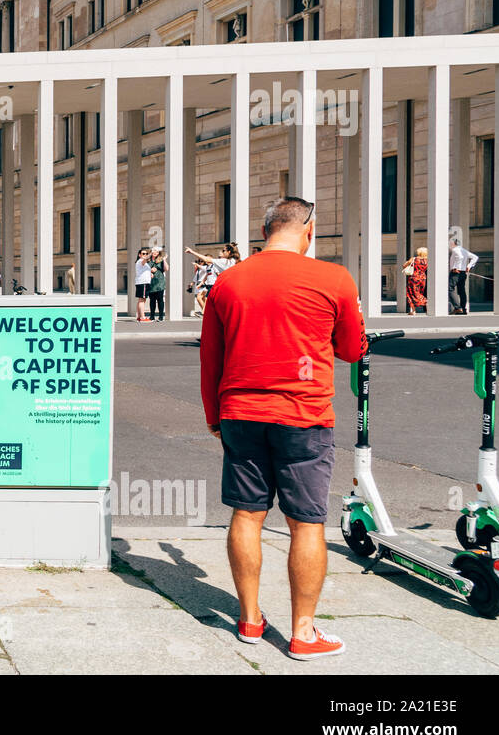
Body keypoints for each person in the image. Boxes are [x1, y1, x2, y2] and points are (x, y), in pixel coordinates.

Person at [200, 197, 365, 661]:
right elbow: (353, 349)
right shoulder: (332, 278)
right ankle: (303, 633)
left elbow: (210, 356)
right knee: (306, 522)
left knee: (247, 513)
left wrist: (214, 414)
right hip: (304, 415)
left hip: (240, 410)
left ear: (266, 228)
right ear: (308, 230)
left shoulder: (229, 281)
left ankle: (250, 618)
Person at [449, 240, 478, 315]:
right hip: (462, 272)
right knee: (461, 290)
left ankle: (458, 308)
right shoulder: (464, 250)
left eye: (450, 243)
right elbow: (475, 257)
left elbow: (459, 257)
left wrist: (454, 267)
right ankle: (463, 308)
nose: (450, 245)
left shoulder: (455, 250)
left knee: (450, 288)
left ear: (453, 244)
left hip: (455, 272)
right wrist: (468, 266)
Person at [402, 246, 428, 314]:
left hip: (414, 278)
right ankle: (426, 305)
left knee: (411, 293)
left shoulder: (414, 259)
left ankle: (415, 309)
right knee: (420, 293)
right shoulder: (427, 260)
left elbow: (404, 265)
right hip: (423, 278)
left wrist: (409, 263)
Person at [148, 249, 168, 321]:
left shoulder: (161, 260)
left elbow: (166, 269)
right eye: (153, 251)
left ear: (159, 253)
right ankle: (152, 316)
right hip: (150, 282)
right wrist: (149, 270)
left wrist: (164, 260)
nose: (155, 252)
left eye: (156, 251)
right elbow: (143, 269)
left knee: (160, 300)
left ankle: (160, 317)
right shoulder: (148, 260)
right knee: (152, 300)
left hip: (159, 282)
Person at [133, 248, 152, 322]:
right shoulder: (141, 261)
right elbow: (145, 260)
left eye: (146, 253)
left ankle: (139, 316)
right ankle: (142, 317)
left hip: (143, 282)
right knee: (142, 300)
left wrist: (150, 273)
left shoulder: (143, 262)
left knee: (141, 300)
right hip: (142, 282)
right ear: (139, 255)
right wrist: (151, 253)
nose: (145, 255)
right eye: (143, 254)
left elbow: (143, 271)